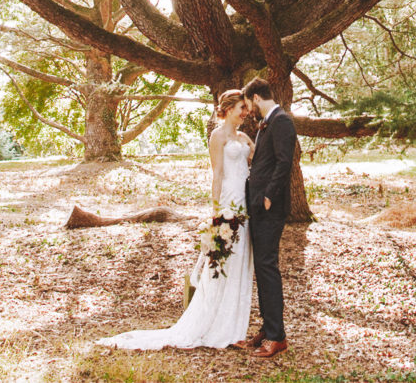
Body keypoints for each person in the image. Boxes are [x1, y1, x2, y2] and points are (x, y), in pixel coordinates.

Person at [96, 90, 255, 350]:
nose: (245, 113)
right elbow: (216, 175)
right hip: (228, 204)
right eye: (241, 108)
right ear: (227, 109)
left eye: (246, 109)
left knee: (240, 265)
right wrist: (216, 212)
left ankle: (235, 329)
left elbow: (260, 163)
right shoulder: (218, 137)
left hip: (245, 206)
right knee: (222, 267)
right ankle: (215, 326)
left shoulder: (244, 137)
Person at [232, 77, 297, 359]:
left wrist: (269, 196)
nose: (249, 110)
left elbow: (285, 162)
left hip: (270, 207)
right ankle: (268, 327)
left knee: (267, 267)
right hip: (258, 205)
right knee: (262, 266)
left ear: (256, 97)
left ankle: (276, 336)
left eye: (248, 104)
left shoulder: (281, 121)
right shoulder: (267, 122)